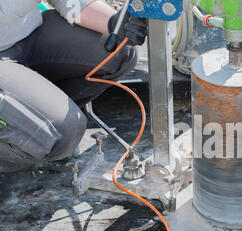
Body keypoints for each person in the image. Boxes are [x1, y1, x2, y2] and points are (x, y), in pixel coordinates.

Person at [0, 0, 148, 172]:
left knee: (120, 53)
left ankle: (33, 122)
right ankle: (21, 140)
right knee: (59, 135)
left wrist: (114, 23)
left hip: (25, 34)